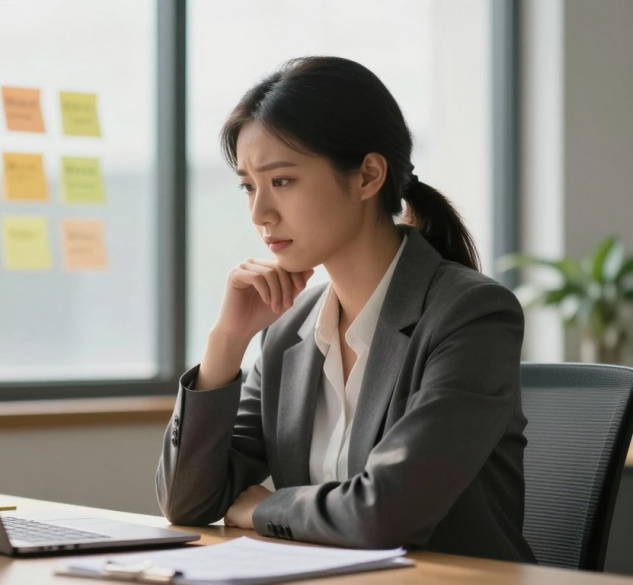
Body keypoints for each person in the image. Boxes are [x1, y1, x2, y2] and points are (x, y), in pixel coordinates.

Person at [156, 56, 535, 563]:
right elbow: (187, 503)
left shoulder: (471, 315)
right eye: (249, 186)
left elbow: (386, 514)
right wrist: (226, 342)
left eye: (282, 181)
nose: (259, 213)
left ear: (367, 176)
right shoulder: (289, 327)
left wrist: (265, 509)